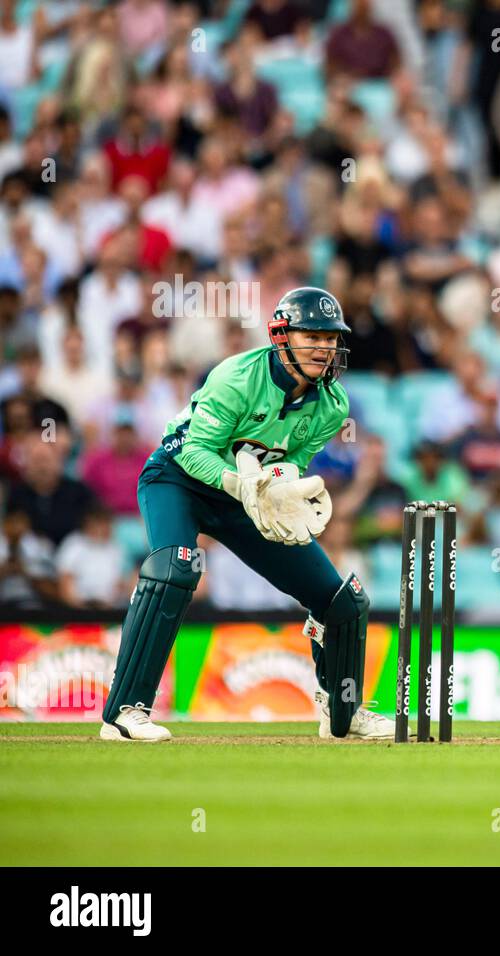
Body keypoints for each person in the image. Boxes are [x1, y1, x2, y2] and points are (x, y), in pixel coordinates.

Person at [99, 287, 393, 743]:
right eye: (311, 335)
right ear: (281, 336)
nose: (325, 347)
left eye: (331, 337)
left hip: (249, 497)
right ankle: (124, 712)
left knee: (342, 600)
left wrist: (282, 490)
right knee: (175, 568)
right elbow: (194, 451)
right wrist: (238, 483)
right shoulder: (237, 376)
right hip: (179, 479)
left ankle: (343, 710)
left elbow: (291, 461)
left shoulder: (332, 405)